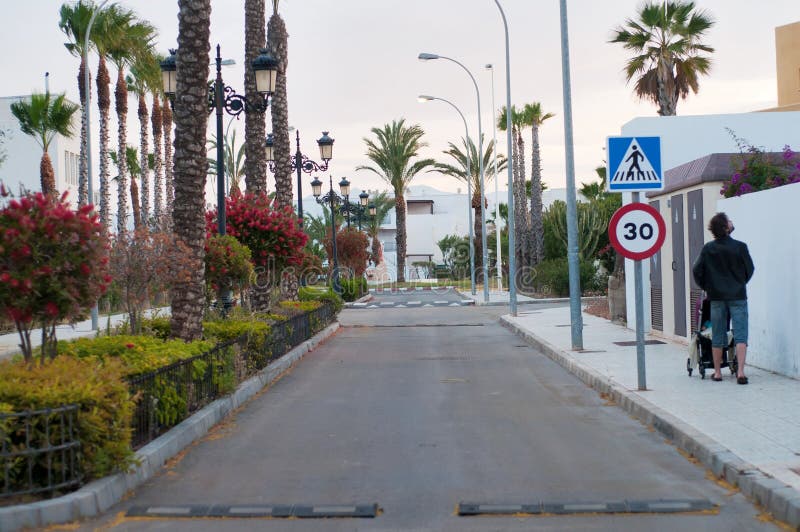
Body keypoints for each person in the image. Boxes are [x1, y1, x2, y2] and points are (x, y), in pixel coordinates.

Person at [692, 212, 755, 384]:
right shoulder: (741, 247)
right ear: (726, 227)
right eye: (728, 221)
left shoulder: (708, 248)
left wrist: (708, 287)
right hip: (738, 296)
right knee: (741, 334)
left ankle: (718, 372)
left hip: (716, 297)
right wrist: (740, 283)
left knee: (718, 333)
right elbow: (750, 269)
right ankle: (740, 372)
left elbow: (696, 270)